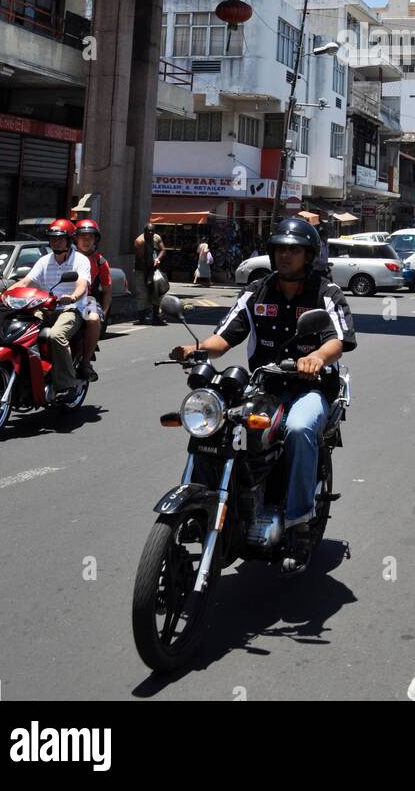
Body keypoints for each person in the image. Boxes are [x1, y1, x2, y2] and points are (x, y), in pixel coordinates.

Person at [169, 216, 356, 576]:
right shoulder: (256, 291)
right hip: (264, 385)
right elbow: (224, 338)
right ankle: (202, 502)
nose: (285, 255)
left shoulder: (325, 292)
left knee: (300, 429)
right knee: (216, 426)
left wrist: (316, 357)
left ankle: (299, 522)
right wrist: (195, 348)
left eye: (294, 250)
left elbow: (339, 339)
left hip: (309, 387)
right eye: (280, 249)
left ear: (308, 254)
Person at [19, 219, 91, 397]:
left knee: (56, 335)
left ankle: (67, 383)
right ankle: (32, 369)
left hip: (71, 309)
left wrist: (73, 296)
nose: (55, 242)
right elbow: (26, 281)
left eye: (59, 238)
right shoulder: (44, 261)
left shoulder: (80, 260)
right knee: (20, 330)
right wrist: (4, 293)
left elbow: (82, 284)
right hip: (44, 308)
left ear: (69, 239)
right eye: (52, 239)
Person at [74, 218, 111, 381]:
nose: (86, 240)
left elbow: (107, 290)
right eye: (82, 236)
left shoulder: (100, 261)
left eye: (90, 236)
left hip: (87, 299)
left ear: (96, 239)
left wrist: (104, 311)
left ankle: (86, 362)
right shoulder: (66, 257)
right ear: (76, 238)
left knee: (94, 318)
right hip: (62, 297)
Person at [134, 223, 166, 324]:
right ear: (144, 231)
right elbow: (140, 259)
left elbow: (163, 250)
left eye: (152, 231)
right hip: (141, 269)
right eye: (148, 231)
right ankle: (141, 318)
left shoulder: (156, 238)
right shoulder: (140, 241)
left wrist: (157, 259)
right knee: (142, 294)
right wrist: (148, 276)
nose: (151, 233)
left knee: (157, 292)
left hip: (154, 269)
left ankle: (156, 317)